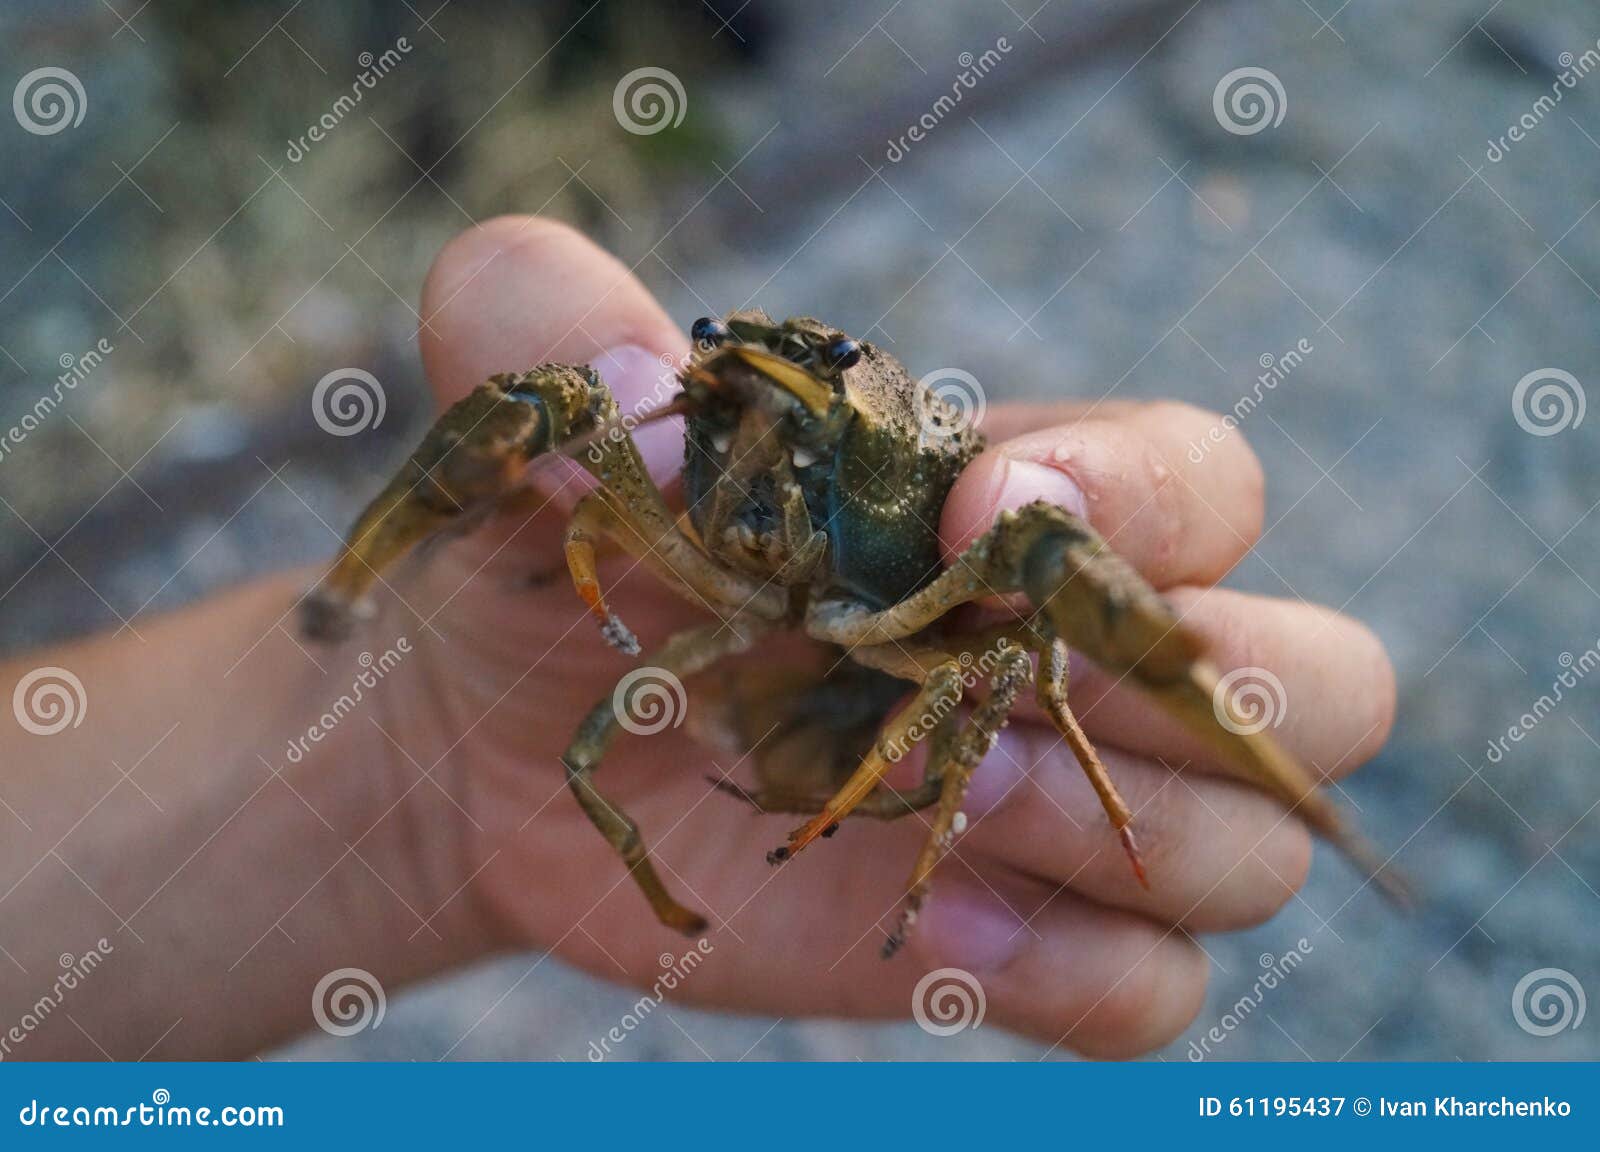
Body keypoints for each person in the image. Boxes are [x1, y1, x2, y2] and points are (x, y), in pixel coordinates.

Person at [0, 217, 1395, 1060]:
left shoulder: (953, 547)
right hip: (683, 672)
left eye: (801, 415)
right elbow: (573, 440)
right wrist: (385, 634)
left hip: (903, 630)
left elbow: (1014, 634)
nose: (754, 426)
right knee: (558, 400)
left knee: (1020, 620)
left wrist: (1069, 671)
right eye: (737, 391)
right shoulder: (663, 469)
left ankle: (1307, 816)